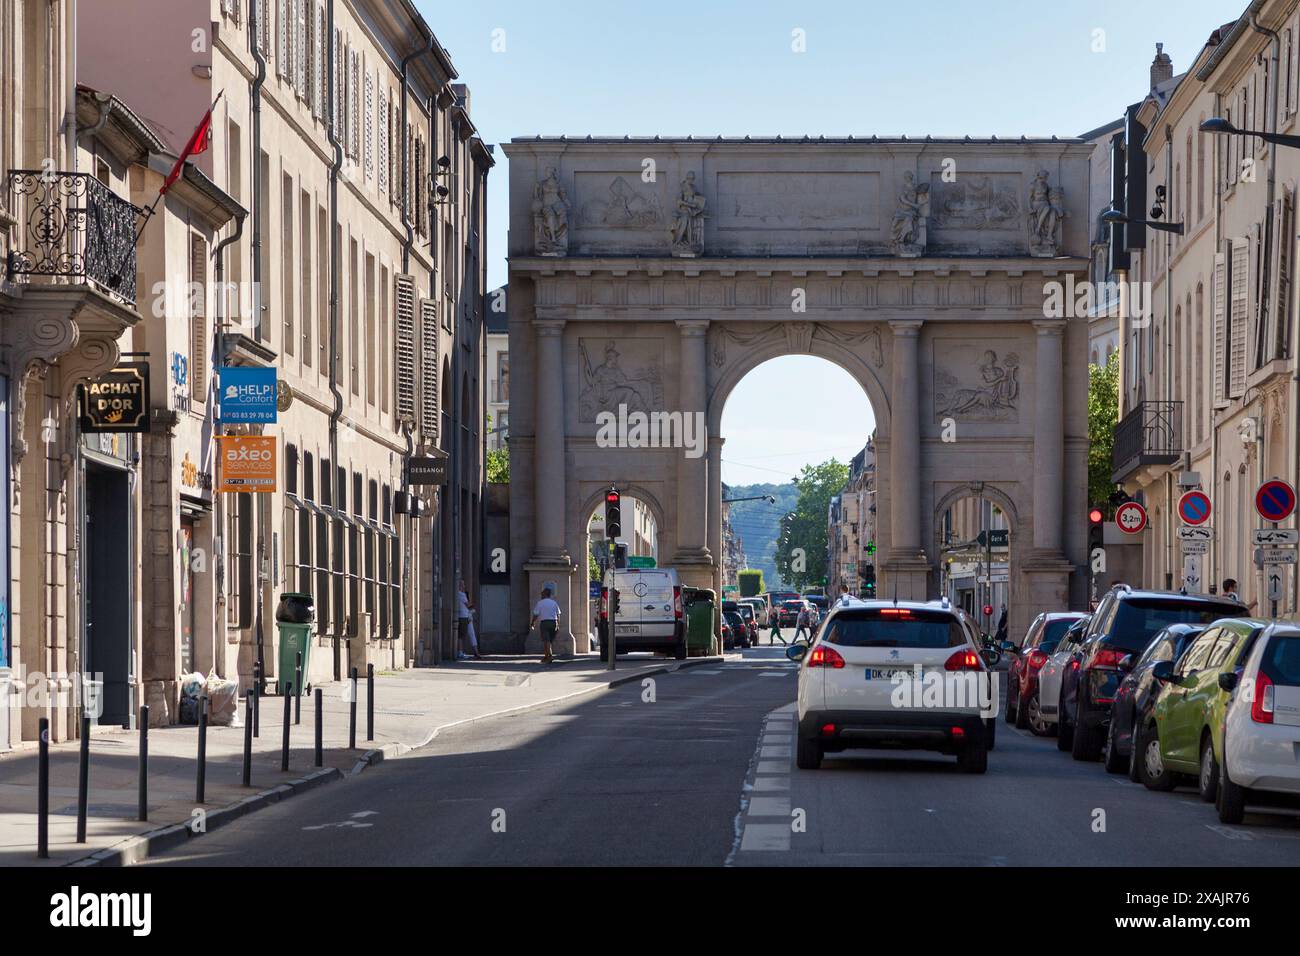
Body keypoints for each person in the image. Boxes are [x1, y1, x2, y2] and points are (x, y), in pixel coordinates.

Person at [530, 586, 562, 664]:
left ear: (544, 594)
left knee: (546, 641)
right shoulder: (554, 603)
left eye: (542, 593)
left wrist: (532, 622)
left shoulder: (540, 603)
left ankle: (549, 657)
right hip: (554, 622)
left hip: (545, 623)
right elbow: (558, 614)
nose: (541, 595)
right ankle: (546, 656)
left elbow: (536, 614)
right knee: (549, 641)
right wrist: (558, 625)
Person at [456, 580, 480, 660]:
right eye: (462, 585)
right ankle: (460, 652)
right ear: (459, 586)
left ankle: (462, 652)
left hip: (462, 615)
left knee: (461, 635)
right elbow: (468, 605)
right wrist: (473, 608)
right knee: (462, 636)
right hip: (464, 616)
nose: (464, 586)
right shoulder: (462, 595)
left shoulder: (458, 594)